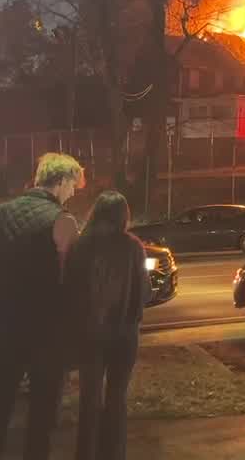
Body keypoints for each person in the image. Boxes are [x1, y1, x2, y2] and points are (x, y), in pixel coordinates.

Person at [0, 152, 84, 460]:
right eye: (73, 185)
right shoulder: (62, 220)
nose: (74, 192)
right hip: (47, 331)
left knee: (0, 404)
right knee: (42, 410)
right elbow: (72, 278)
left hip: (10, 325)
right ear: (61, 181)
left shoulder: (3, 213)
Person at [66, 191, 150, 460]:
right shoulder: (133, 246)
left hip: (90, 333)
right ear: (123, 215)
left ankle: (86, 454)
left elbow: (70, 289)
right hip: (124, 334)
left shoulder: (81, 245)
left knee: (89, 399)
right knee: (116, 397)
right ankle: (113, 454)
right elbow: (144, 291)